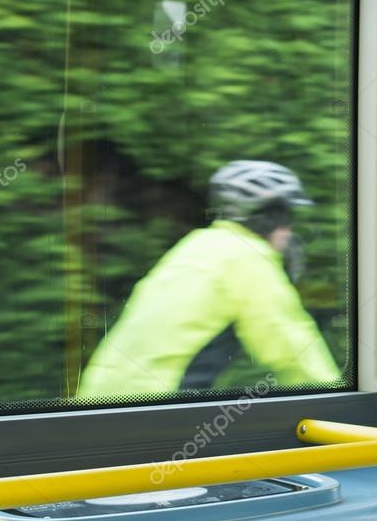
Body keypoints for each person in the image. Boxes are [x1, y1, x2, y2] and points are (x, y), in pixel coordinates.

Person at [77, 161, 341, 398]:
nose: (289, 233)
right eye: (288, 220)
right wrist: (339, 410)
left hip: (97, 401)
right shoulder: (248, 258)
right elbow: (293, 350)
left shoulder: (197, 245)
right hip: (156, 409)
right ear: (273, 219)